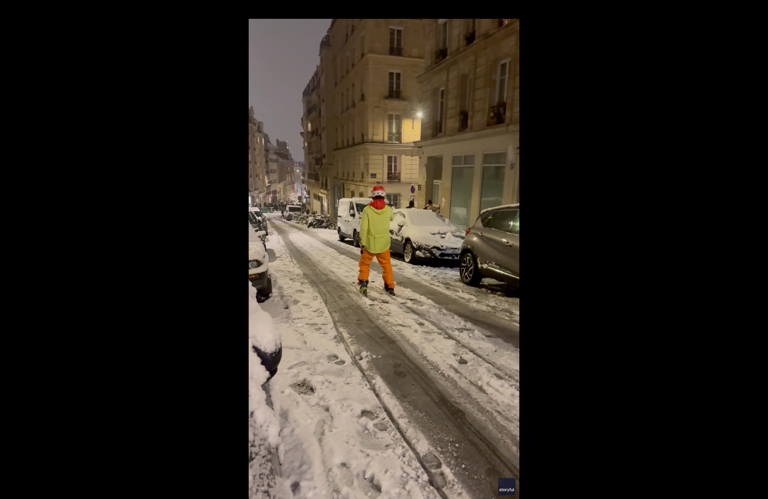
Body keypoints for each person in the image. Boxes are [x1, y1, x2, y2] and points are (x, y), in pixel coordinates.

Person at [358, 185, 396, 297]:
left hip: (370, 244)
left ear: (372, 196)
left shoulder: (367, 210)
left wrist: (362, 243)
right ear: (384, 195)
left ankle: (363, 284)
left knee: (364, 264)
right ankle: (389, 286)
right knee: (386, 265)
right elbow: (392, 218)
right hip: (384, 244)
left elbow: (363, 228)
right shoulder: (388, 209)